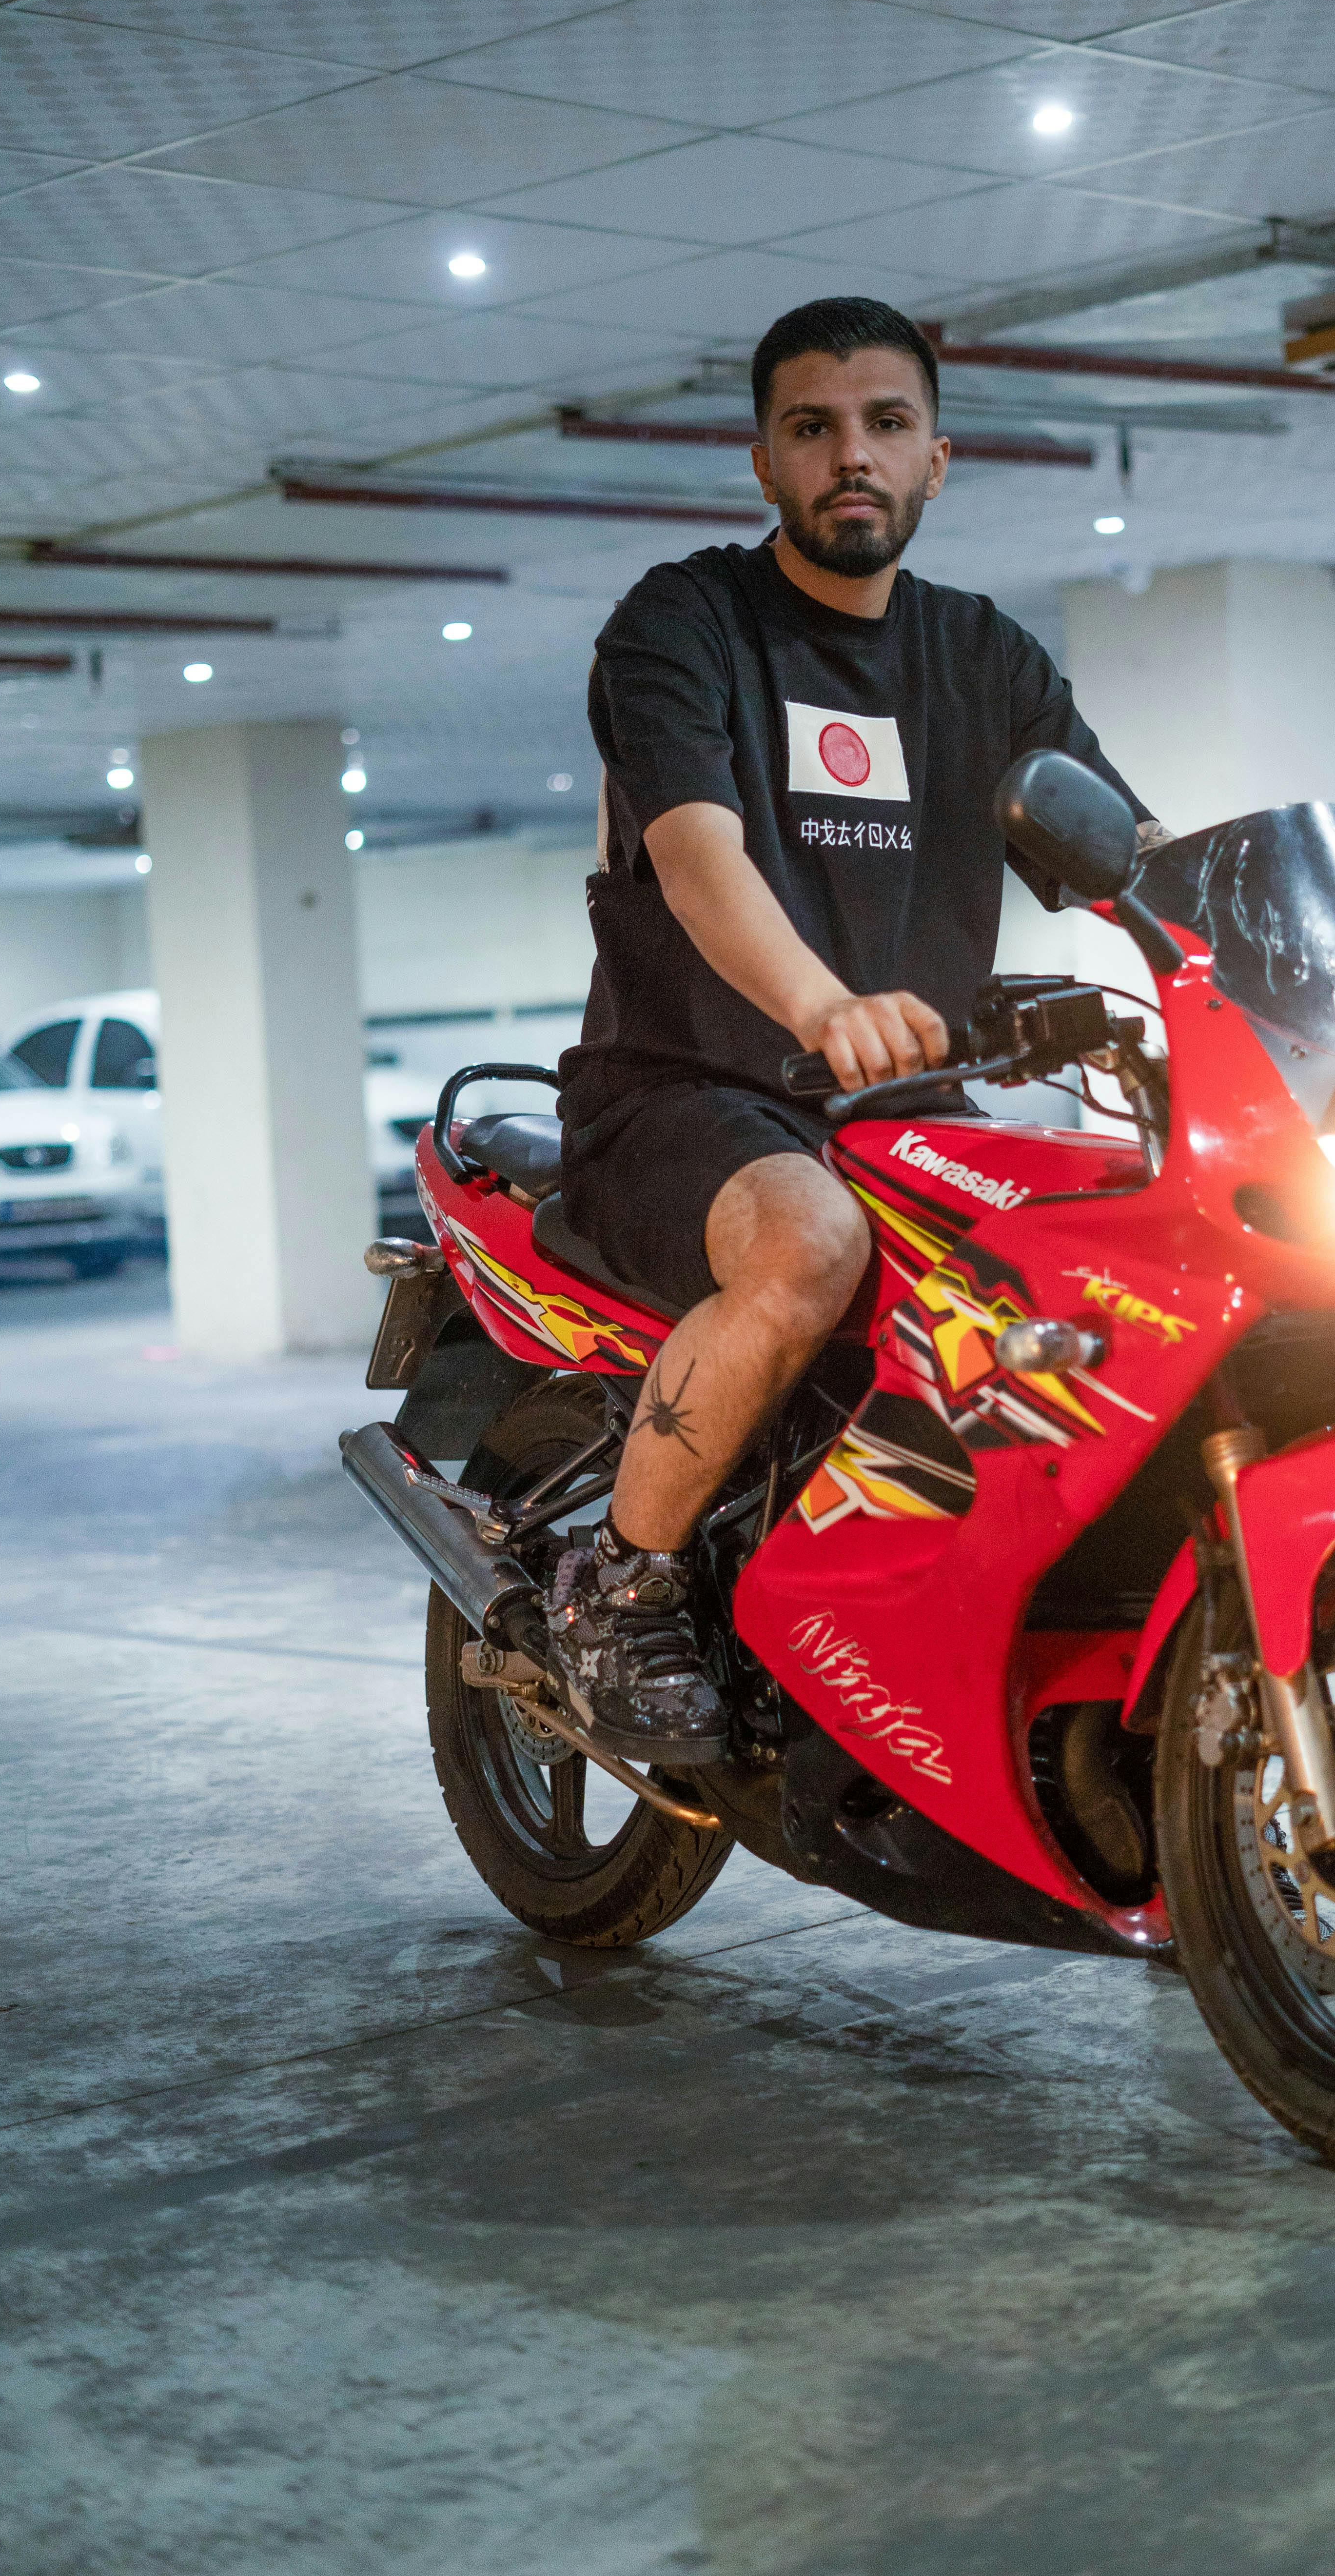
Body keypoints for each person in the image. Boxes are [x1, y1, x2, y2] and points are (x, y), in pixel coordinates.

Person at [546, 294, 1151, 1764]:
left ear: (937, 457)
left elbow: (1131, 856)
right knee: (809, 1246)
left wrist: (1319, 967)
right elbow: (698, 858)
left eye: (885, 424)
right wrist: (824, 1005)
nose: (852, 456)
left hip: (912, 1119)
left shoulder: (981, 659)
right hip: (684, 1101)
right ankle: (616, 1591)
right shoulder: (683, 624)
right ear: (765, 462)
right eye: (813, 428)